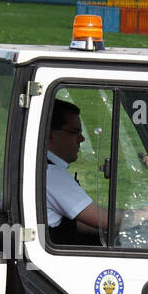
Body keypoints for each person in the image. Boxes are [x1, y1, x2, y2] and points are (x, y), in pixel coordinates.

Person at [44, 99, 108, 244]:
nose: (82, 138)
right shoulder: (51, 174)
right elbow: (102, 219)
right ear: (49, 134)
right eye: (74, 132)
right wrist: (140, 216)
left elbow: (76, 221)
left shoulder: (40, 168)